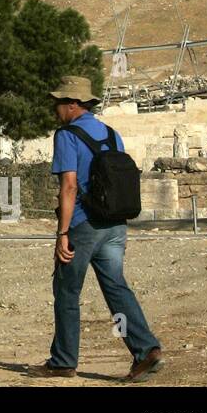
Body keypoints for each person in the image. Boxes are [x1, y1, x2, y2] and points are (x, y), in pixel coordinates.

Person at [28, 76, 163, 382]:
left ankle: (63, 361)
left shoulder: (66, 135)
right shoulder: (112, 134)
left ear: (73, 104)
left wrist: (62, 234)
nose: (55, 107)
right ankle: (145, 350)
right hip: (115, 224)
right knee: (115, 288)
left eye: (59, 102)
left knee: (66, 291)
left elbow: (69, 186)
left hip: (82, 225)